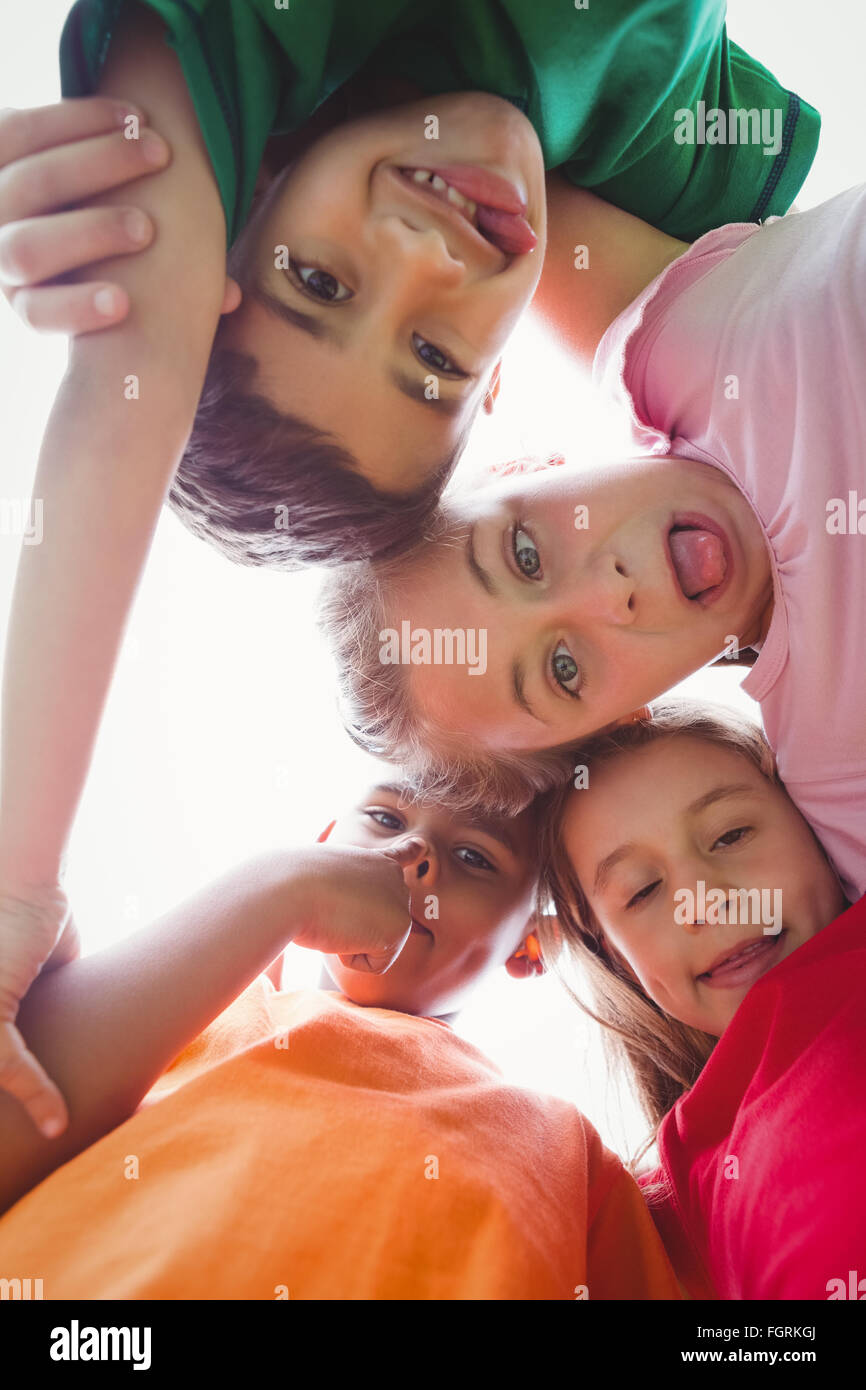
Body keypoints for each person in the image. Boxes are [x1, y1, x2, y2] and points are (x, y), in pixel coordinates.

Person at [0, 1, 819, 1131]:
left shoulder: (298, 39)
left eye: (321, 284)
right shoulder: (680, 169)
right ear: (484, 387)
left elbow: (130, 386)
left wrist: (16, 881)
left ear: (512, 434)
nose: (424, 258)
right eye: (431, 357)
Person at [320, 180, 866, 907]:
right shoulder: (837, 767)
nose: (612, 591)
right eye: (566, 668)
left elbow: (472, 167)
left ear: (526, 466)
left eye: (524, 555)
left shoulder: (659, 352)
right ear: (622, 724)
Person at [0, 777, 680, 1300]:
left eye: (474, 856)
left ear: (533, 945)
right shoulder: (187, 1006)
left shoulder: (569, 1150)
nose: (411, 857)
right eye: (385, 817)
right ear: (320, 849)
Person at [536, 699, 866, 1299]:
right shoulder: (652, 1217)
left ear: (813, 821)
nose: (704, 901)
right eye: (643, 891)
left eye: (731, 834)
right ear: (614, 956)